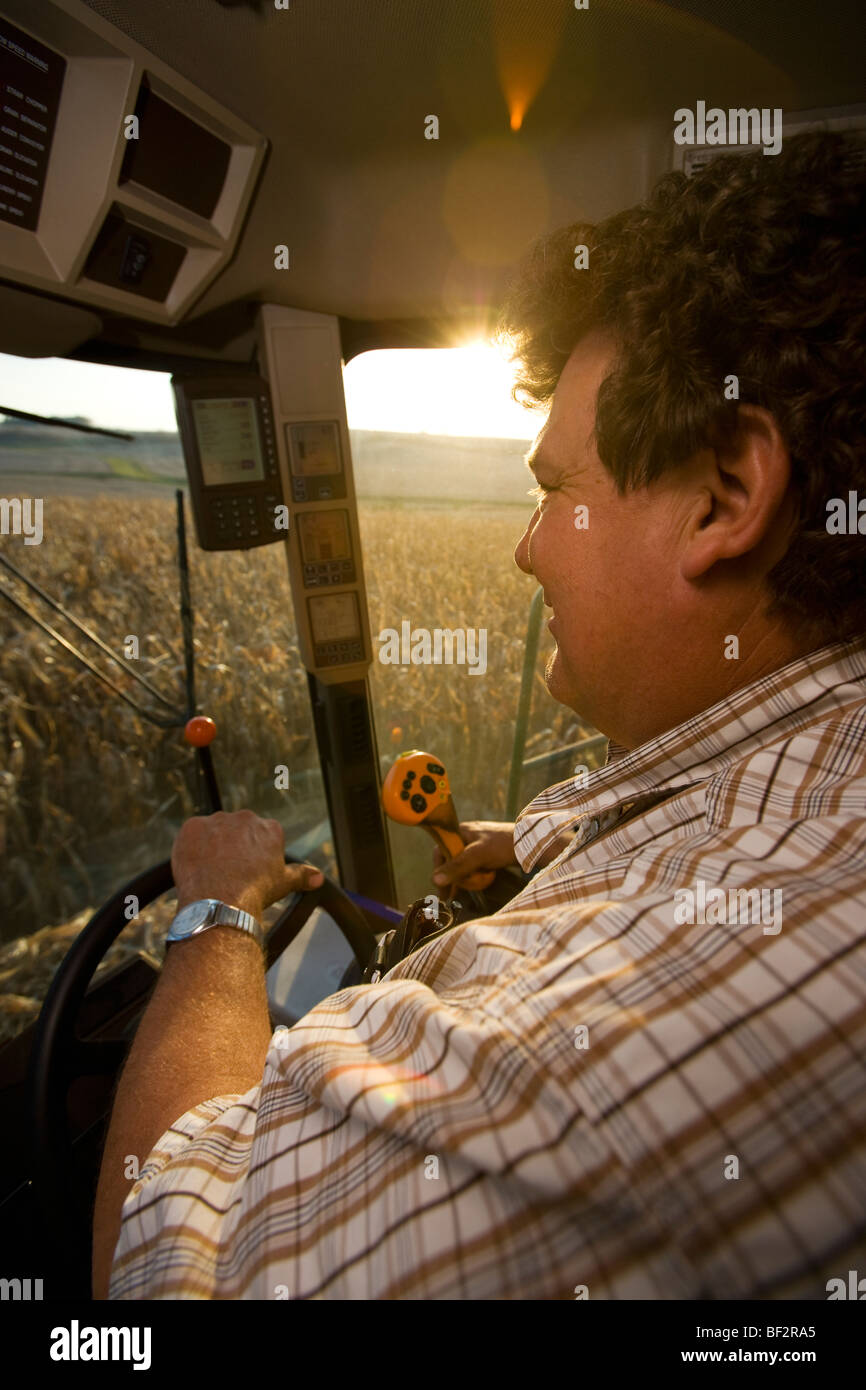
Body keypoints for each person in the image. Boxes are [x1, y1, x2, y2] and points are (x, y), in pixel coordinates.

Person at [93, 130, 866, 1299]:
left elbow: (160, 1267)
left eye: (558, 492)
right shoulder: (803, 795)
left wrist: (211, 913)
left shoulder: (622, 1048)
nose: (524, 547)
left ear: (725, 494)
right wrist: (537, 847)